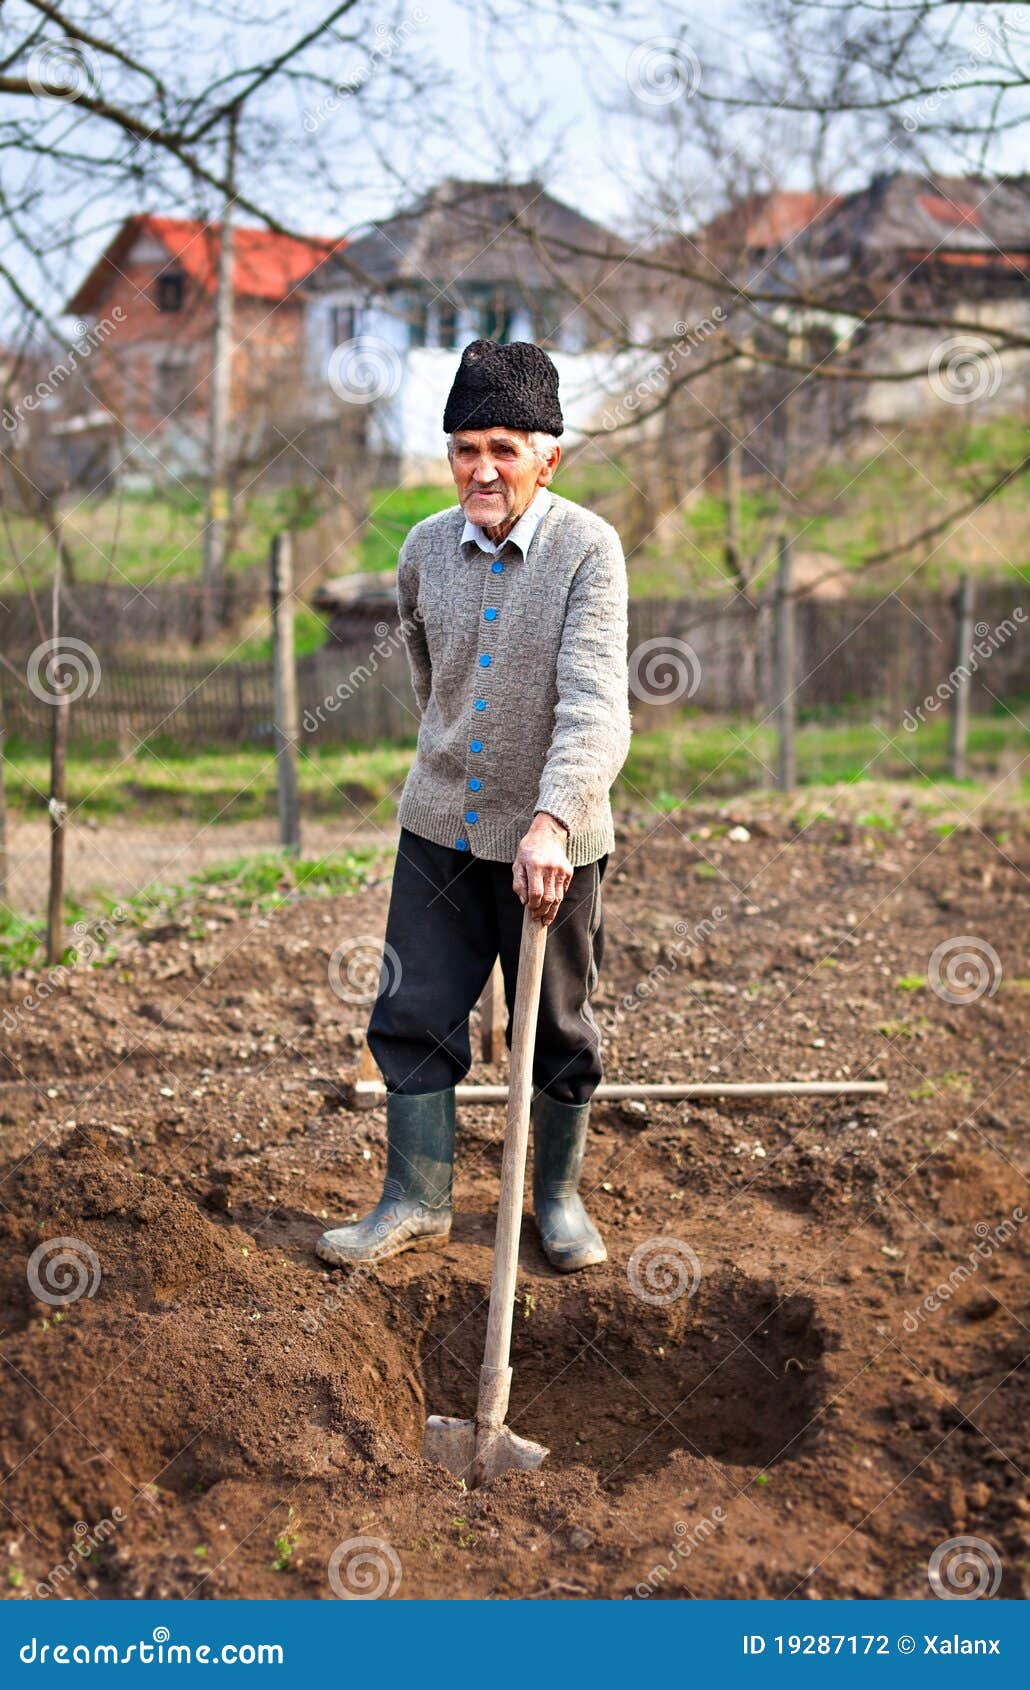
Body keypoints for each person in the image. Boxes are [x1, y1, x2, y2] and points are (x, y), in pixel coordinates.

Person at [317, 338, 631, 1274]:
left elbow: (596, 705)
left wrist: (552, 820)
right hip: (438, 829)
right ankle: (415, 1199)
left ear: (548, 456)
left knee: (557, 1028)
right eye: (465, 448)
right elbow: (434, 687)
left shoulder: (589, 551)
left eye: (503, 446)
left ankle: (558, 1198)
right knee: (411, 1010)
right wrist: (458, 778)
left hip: (555, 838)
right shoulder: (422, 550)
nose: (482, 468)